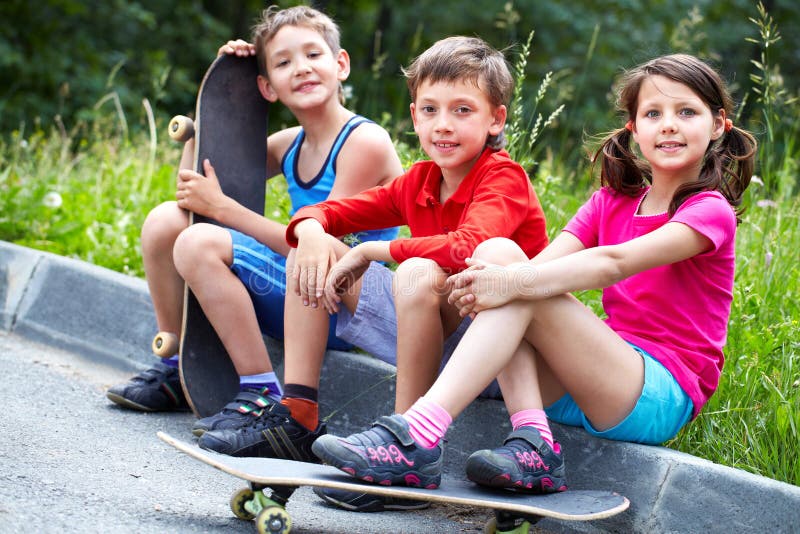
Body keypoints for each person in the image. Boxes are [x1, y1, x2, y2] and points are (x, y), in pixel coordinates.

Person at [310, 53, 757, 495]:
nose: (669, 125)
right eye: (653, 113)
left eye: (686, 112)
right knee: (502, 254)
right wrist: (486, 282)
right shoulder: (612, 200)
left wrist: (505, 282)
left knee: (512, 275)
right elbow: (534, 268)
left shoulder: (709, 210)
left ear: (718, 125)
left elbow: (612, 264)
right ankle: (531, 441)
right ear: (633, 129)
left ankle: (417, 434)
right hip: (586, 378)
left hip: (655, 390)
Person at [197, 35, 549, 507]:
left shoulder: (503, 178)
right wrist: (315, 232)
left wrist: (374, 250)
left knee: (417, 269)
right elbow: (330, 212)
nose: (443, 125)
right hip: (437, 337)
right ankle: (297, 412)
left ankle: (407, 452)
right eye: (430, 110)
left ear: (495, 119)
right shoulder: (419, 181)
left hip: (493, 355)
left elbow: (468, 247)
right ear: (414, 116)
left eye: (462, 110)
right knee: (316, 251)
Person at [106, 5, 403, 438]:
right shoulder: (289, 144)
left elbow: (320, 251)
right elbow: (194, 190)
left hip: (340, 304)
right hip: (295, 289)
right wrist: (221, 89)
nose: (300, 69)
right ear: (267, 86)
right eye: (283, 62)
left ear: (341, 65)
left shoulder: (364, 142)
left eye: (313, 55)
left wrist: (225, 210)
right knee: (165, 222)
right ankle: (176, 365)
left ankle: (260, 392)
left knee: (199, 242)